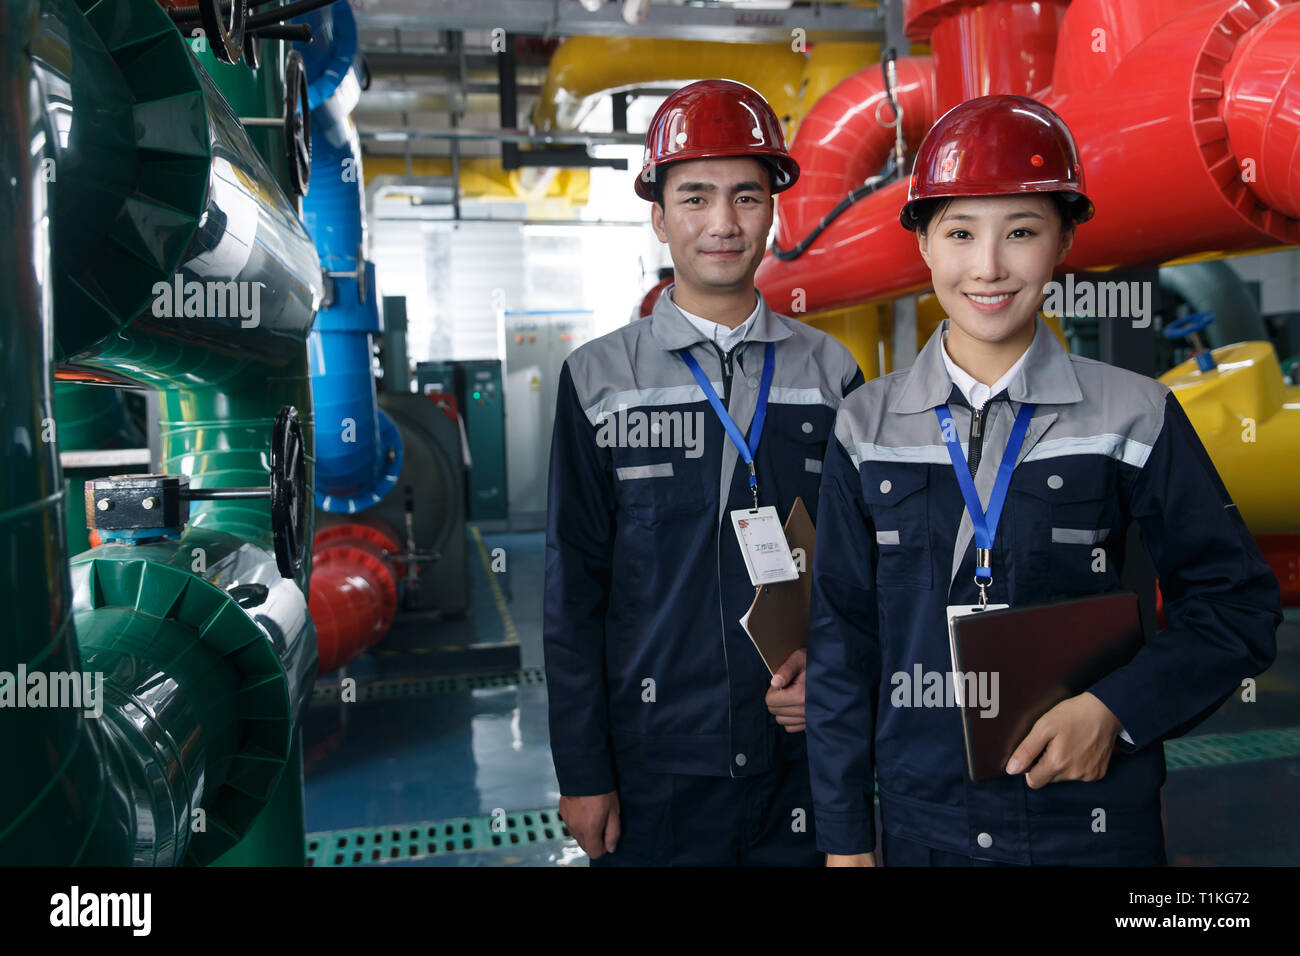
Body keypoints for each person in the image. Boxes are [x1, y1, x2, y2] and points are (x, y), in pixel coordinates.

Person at [805, 94, 1281, 866]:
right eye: (960, 232)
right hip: (926, 825)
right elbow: (841, 643)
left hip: (1087, 823)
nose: (988, 266)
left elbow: (1236, 605)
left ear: (1062, 240)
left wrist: (1116, 710)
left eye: (1021, 232)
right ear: (923, 244)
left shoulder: (1136, 414)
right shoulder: (865, 425)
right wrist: (846, 840)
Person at [544, 79, 864, 866]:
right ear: (659, 216)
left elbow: (865, 572)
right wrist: (585, 772)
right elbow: (572, 592)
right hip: (658, 769)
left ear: (774, 211)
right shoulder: (598, 379)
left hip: (804, 756)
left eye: (745, 197)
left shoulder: (834, 374)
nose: (722, 223)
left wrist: (833, 675)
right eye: (695, 197)